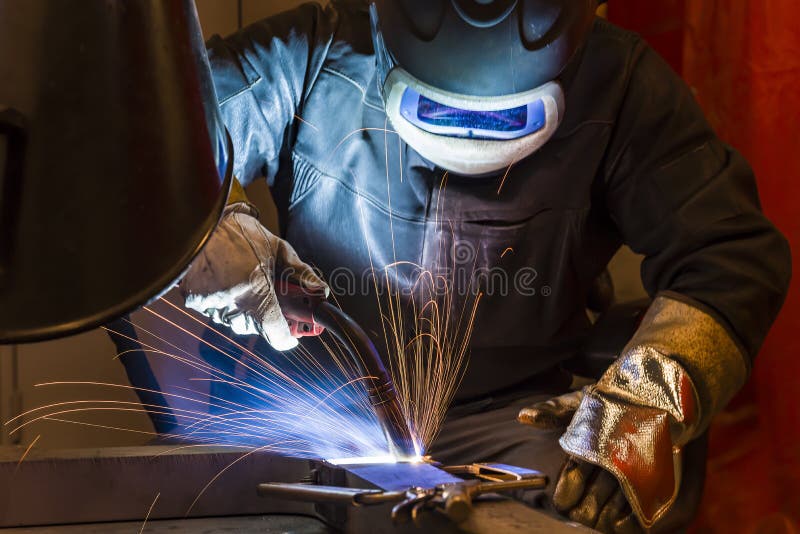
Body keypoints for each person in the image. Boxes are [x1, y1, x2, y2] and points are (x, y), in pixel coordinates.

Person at [177, 1, 792, 531]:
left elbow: (729, 253)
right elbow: (161, 144)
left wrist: (650, 397)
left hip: (508, 421)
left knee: (571, 512)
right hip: (302, 410)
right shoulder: (308, 52)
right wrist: (214, 238)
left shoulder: (620, 84)